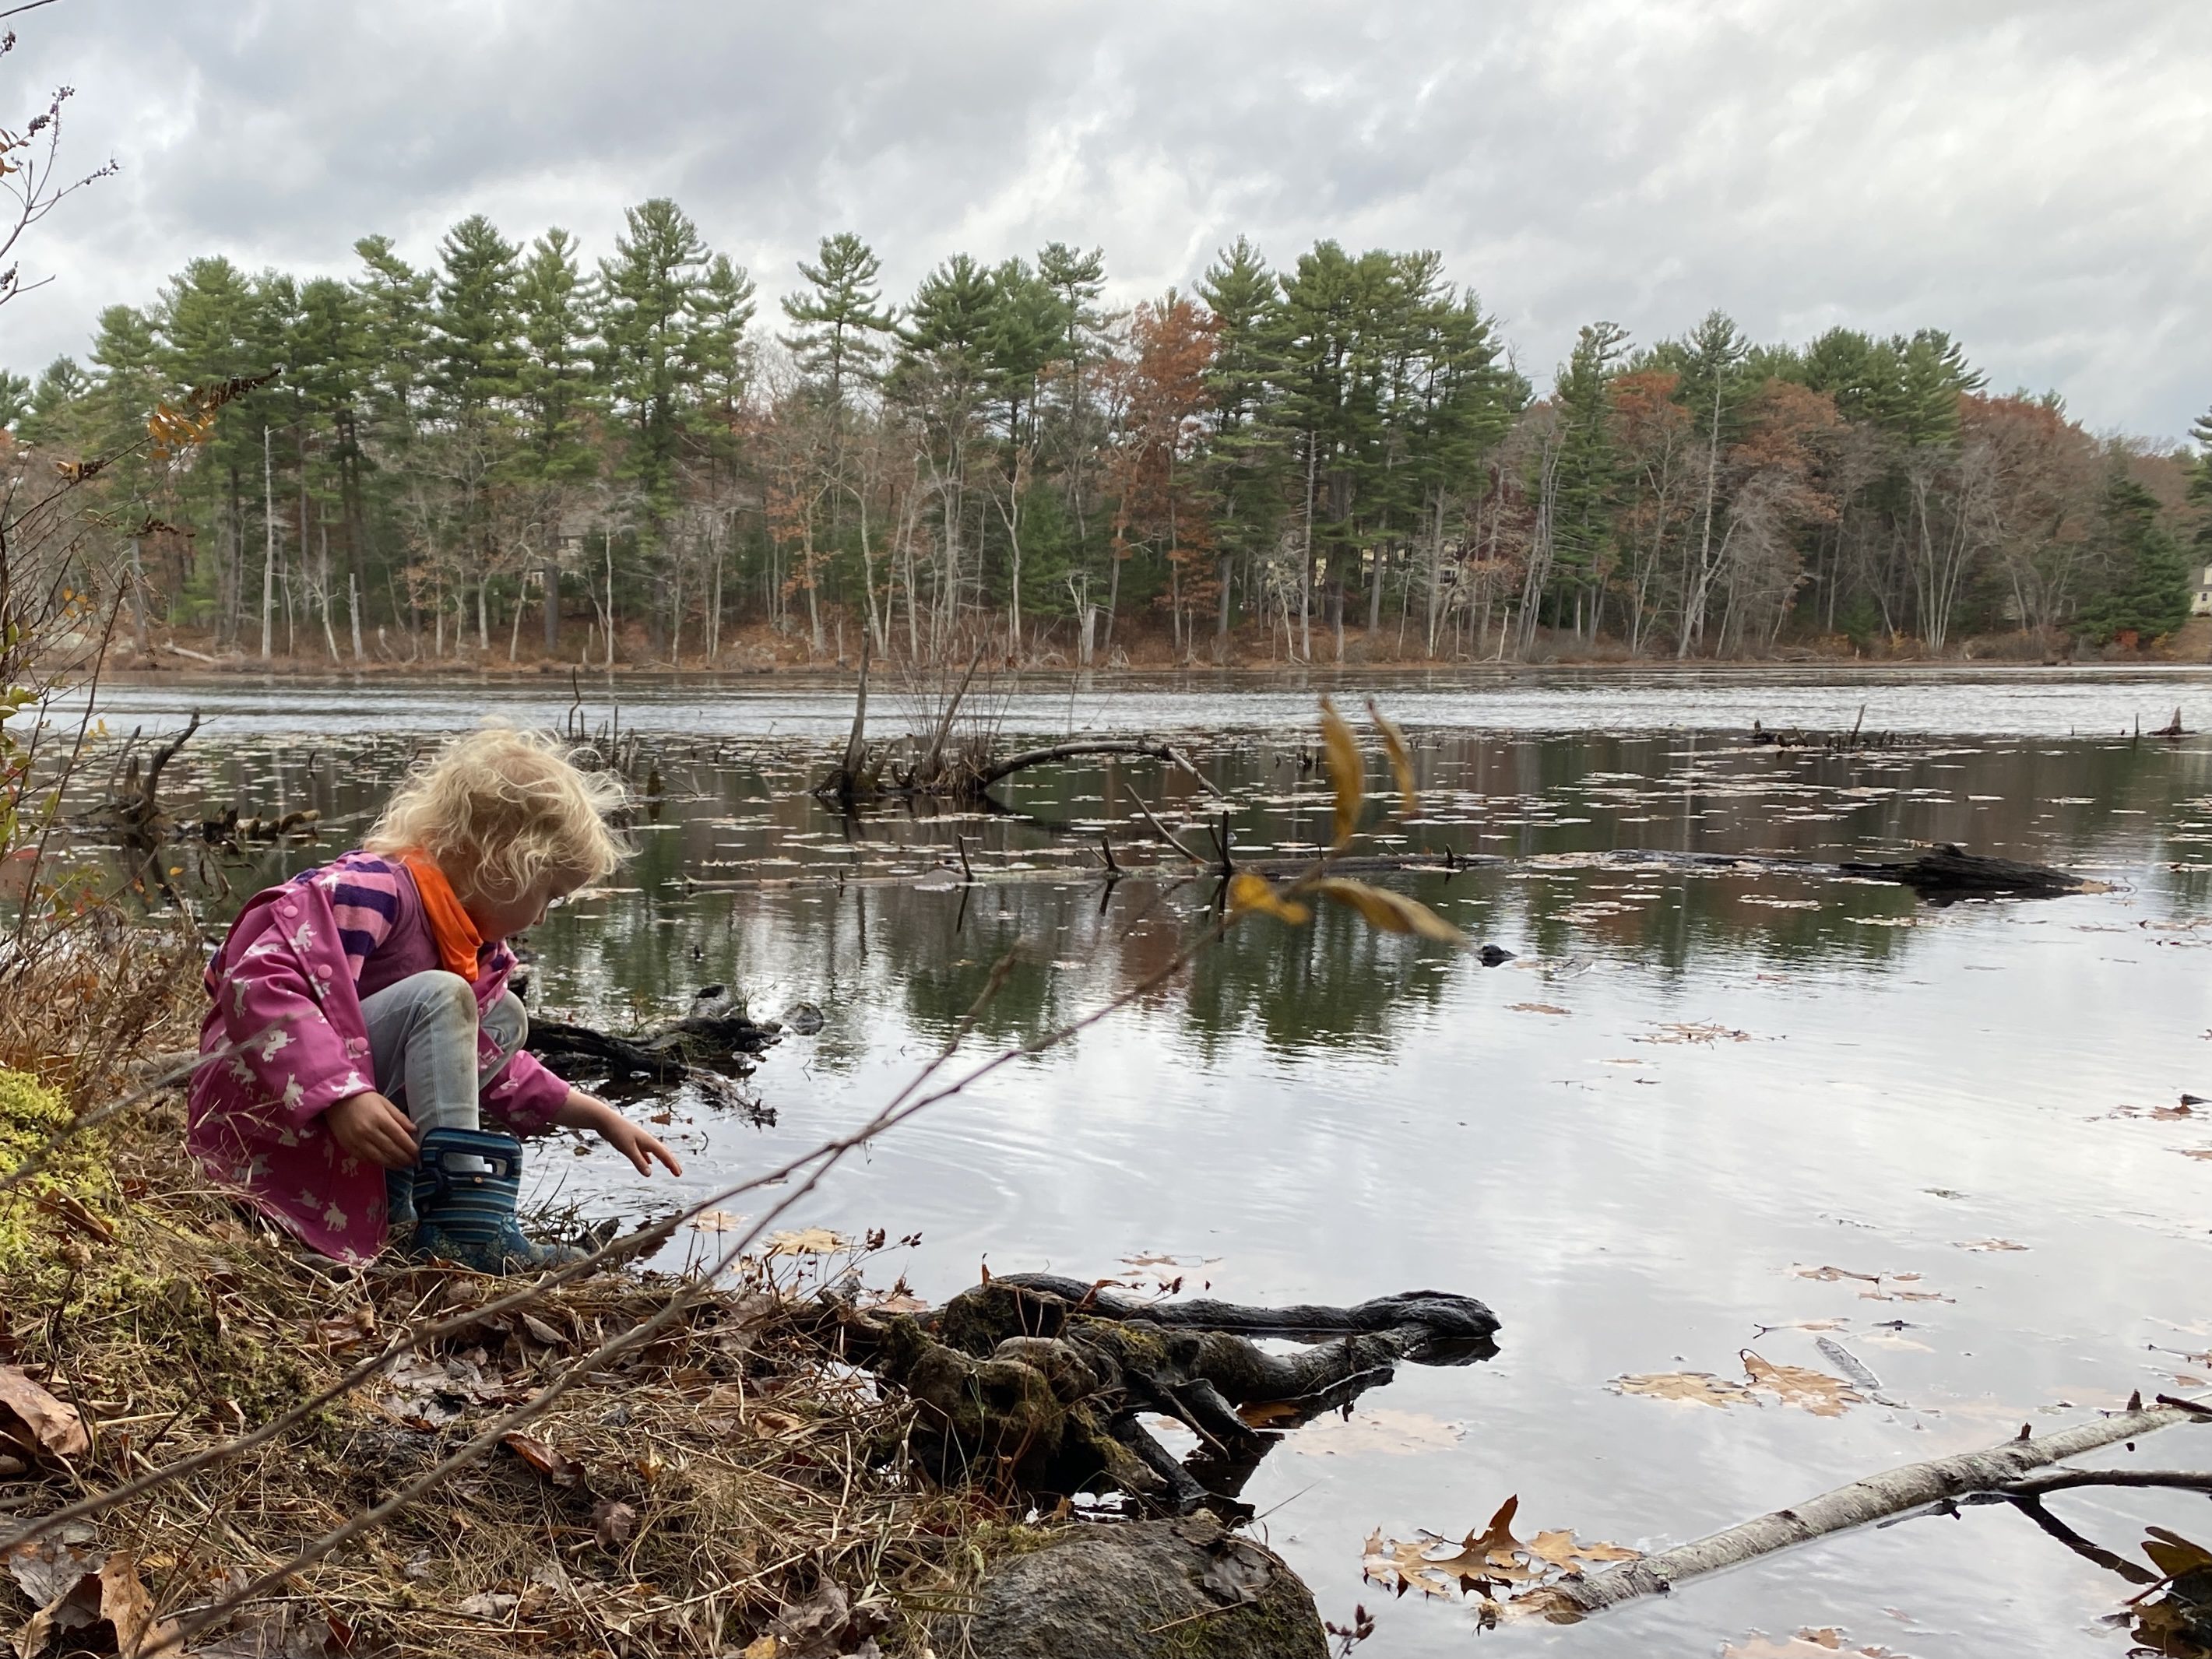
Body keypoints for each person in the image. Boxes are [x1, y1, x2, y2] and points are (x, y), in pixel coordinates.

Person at [187, 727, 682, 1272]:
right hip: (261, 1107)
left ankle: (399, 1199)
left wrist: (597, 1115)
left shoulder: (472, 949)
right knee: (444, 996)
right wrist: (340, 1097)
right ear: (499, 860)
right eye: (549, 894)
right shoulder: (371, 892)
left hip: (329, 1107)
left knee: (502, 1016)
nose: (543, 917)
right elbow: (256, 982)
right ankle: (461, 1224)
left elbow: (477, 1064)